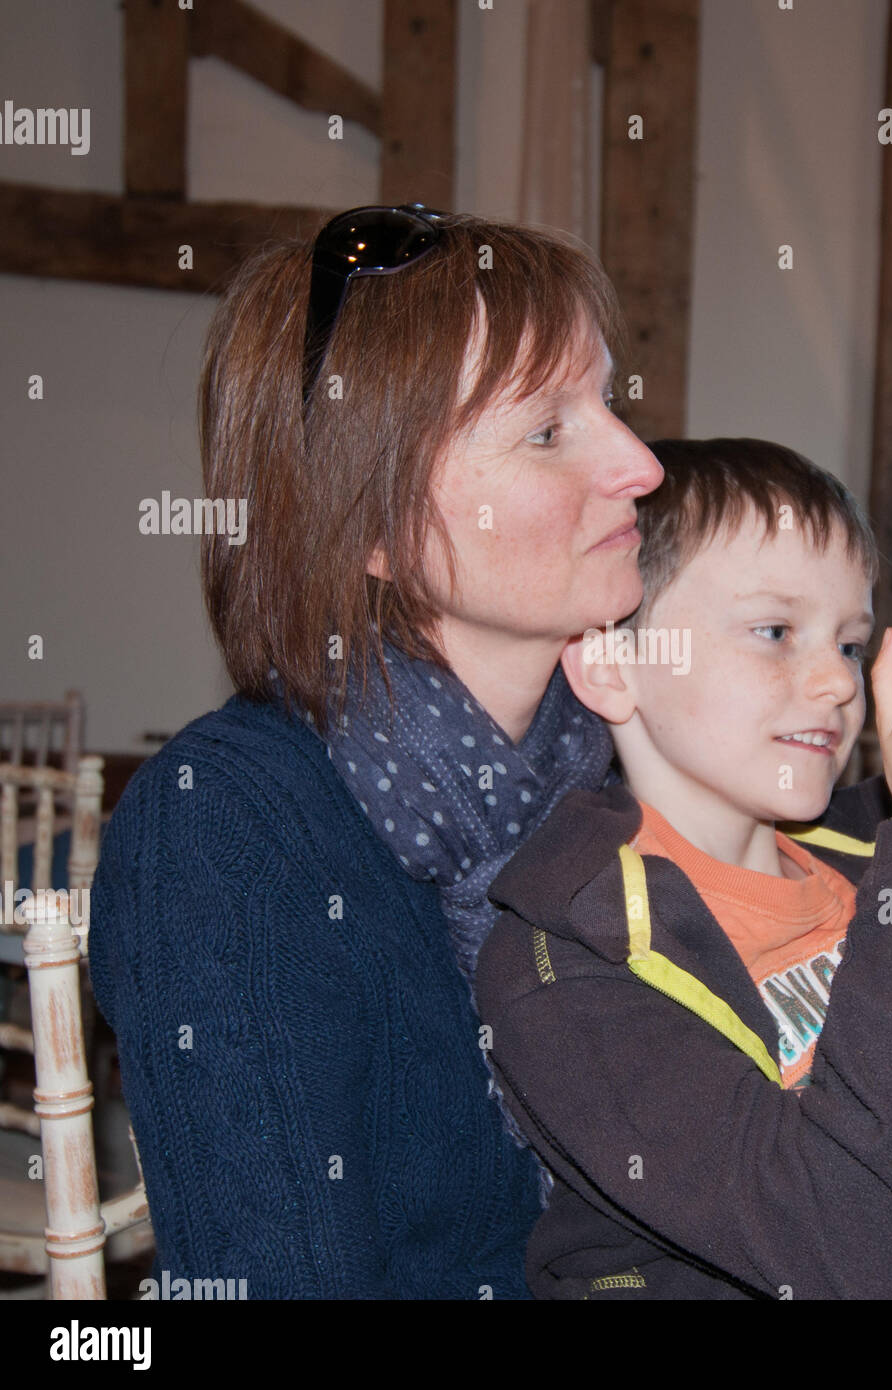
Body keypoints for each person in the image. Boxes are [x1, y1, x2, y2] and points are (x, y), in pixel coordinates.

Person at [88, 207, 664, 1298]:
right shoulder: (226, 829)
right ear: (373, 526)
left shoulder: (617, 770)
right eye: (548, 430)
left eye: (611, 402)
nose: (639, 462)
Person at [475, 438, 892, 1300]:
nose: (838, 684)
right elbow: (853, 1256)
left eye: (848, 644)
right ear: (611, 663)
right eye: (773, 631)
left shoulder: (877, 861)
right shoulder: (572, 962)